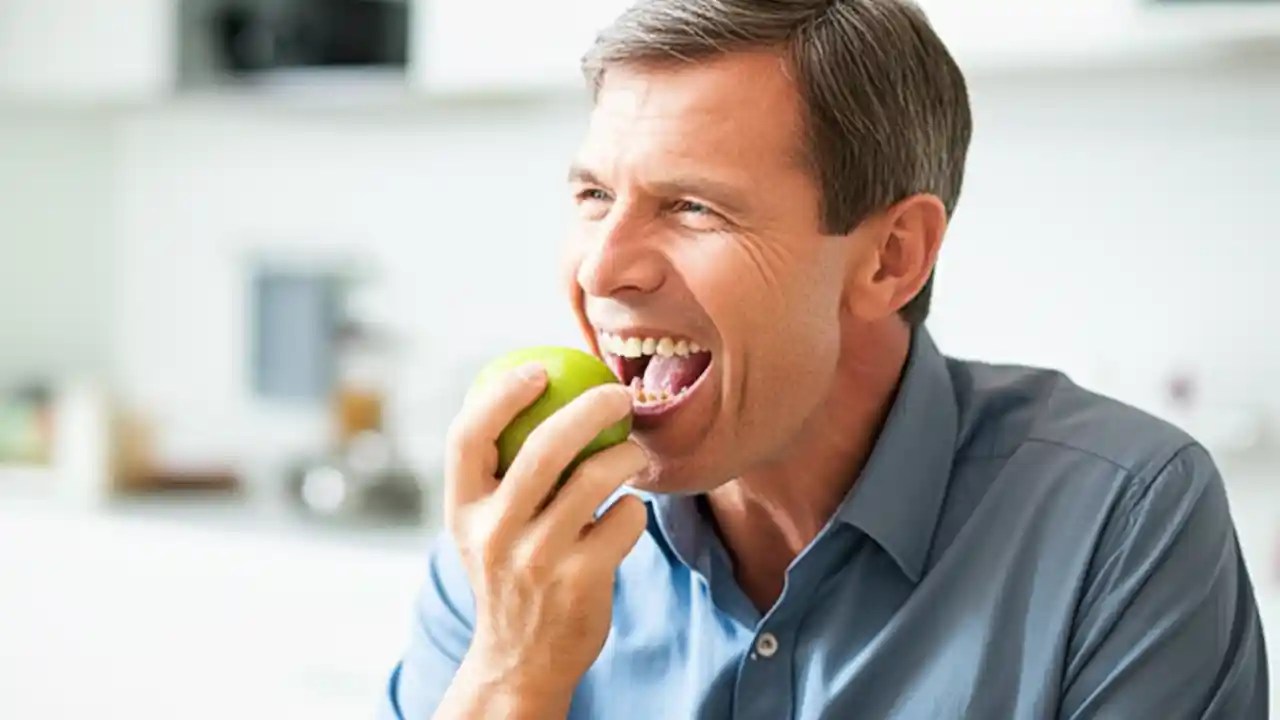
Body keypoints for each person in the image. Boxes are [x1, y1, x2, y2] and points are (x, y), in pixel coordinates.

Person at [381, 1, 1269, 718]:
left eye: (692, 207)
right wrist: (508, 676)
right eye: (594, 195)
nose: (604, 268)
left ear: (891, 259)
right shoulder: (516, 539)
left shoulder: (1119, 522)